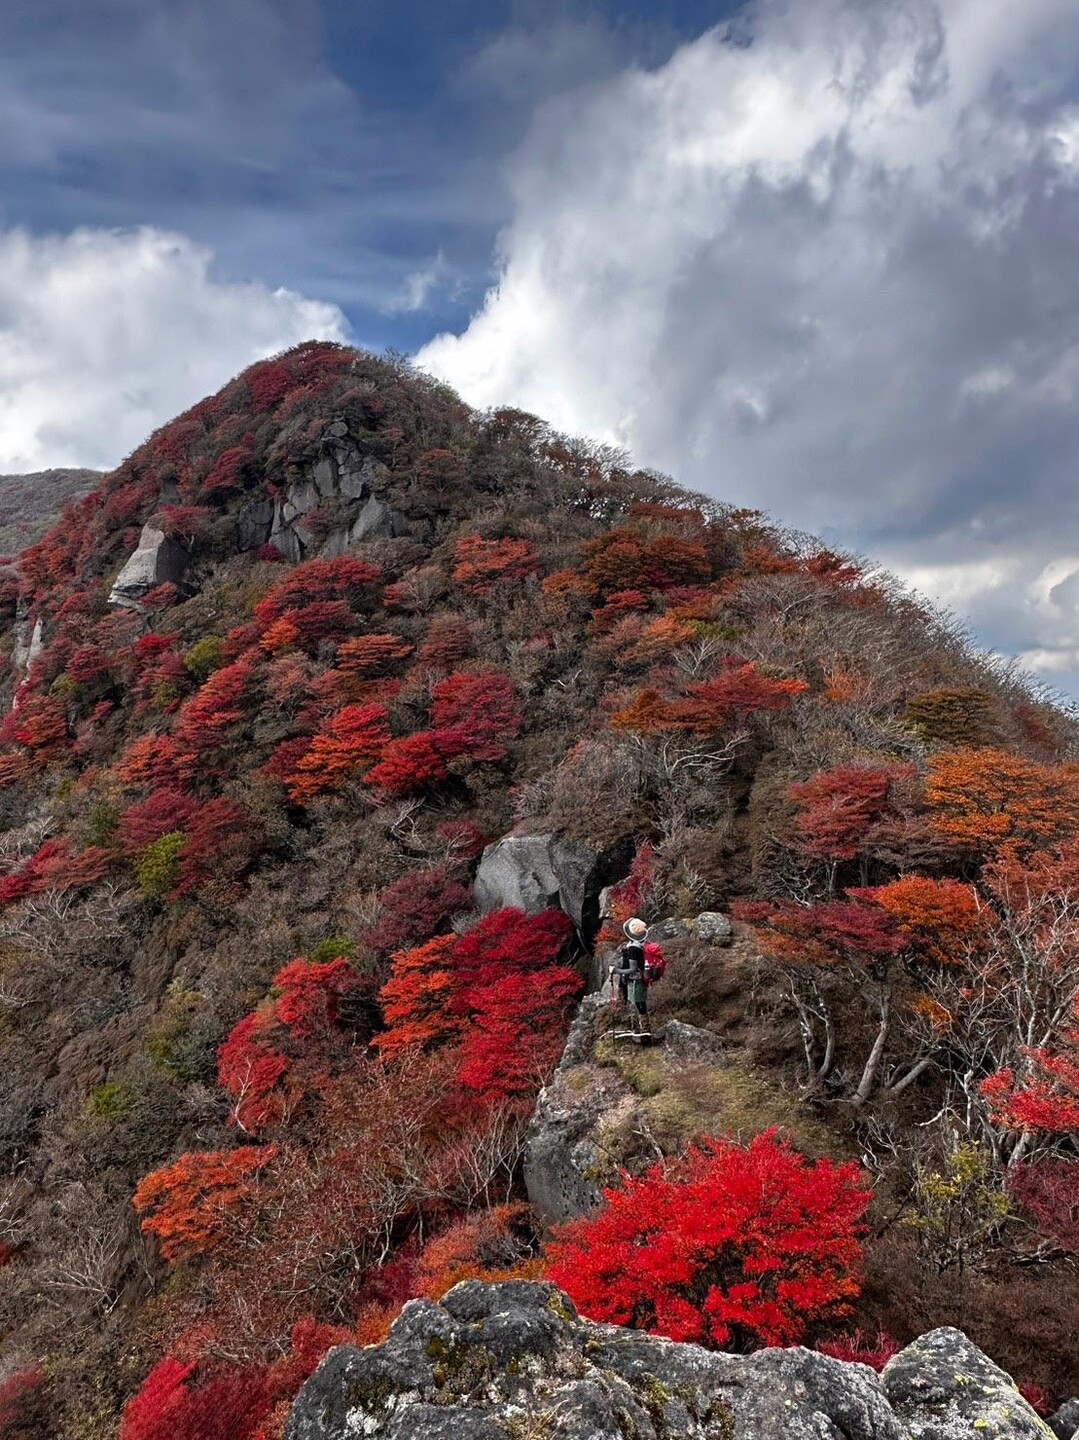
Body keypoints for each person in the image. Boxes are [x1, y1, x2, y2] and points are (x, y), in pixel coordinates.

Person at [609, 917, 651, 1035]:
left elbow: (632, 969)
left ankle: (643, 1034)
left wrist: (616, 971)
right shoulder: (639, 945)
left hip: (635, 981)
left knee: (638, 1005)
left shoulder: (633, 948)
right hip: (639, 980)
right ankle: (642, 1032)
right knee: (640, 1005)